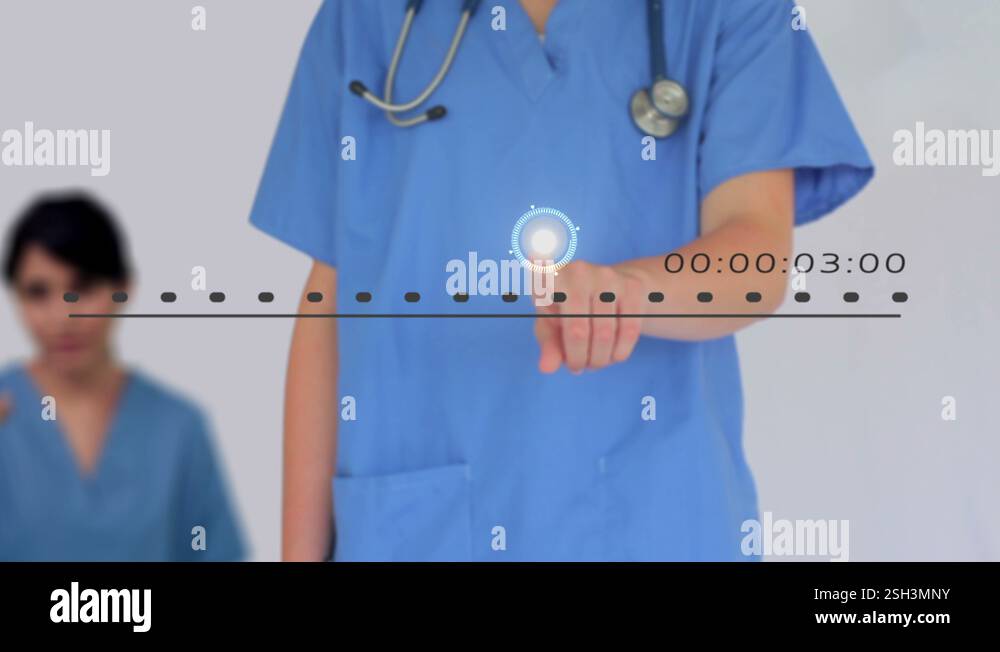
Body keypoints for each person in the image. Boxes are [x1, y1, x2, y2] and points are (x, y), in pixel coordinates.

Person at [249, 0, 873, 560]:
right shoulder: (366, 16)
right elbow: (332, 299)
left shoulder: (727, 10)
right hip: (412, 531)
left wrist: (631, 292)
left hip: (656, 523)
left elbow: (757, 258)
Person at [0, 192, 245, 561]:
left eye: (82, 289)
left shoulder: (178, 428)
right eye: (38, 292)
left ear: (123, 288)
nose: (62, 318)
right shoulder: (6, 416)